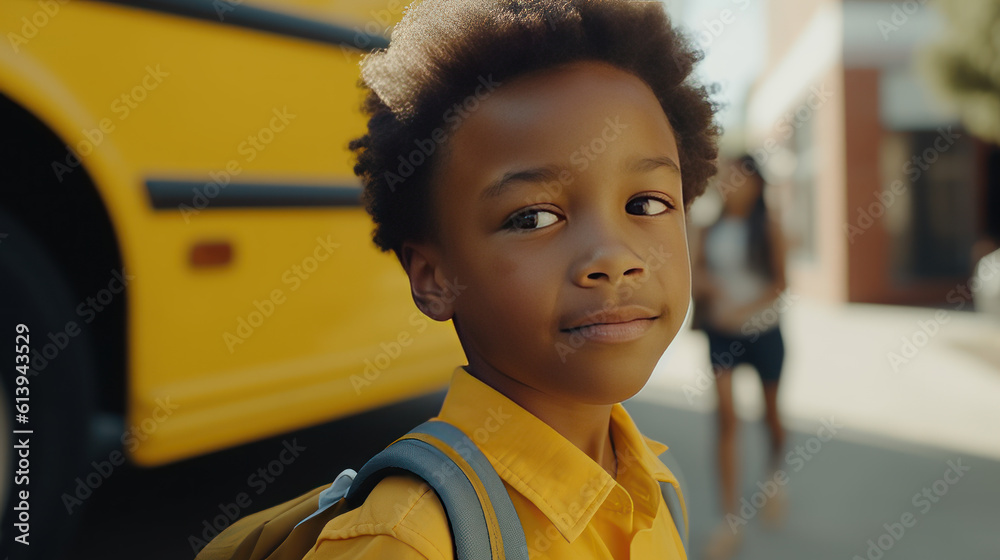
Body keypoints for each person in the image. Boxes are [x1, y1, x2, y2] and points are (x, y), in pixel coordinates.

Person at [303, 0, 720, 558]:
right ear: (432, 277)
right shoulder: (409, 542)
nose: (614, 258)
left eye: (646, 203)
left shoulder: (660, 488)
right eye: (534, 218)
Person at [692, 154, 788, 560]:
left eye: (739, 176)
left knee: (770, 415)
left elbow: (781, 284)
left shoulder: (768, 227)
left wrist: (742, 312)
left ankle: (772, 476)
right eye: (726, 176)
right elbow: (694, 271)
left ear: (755, 183)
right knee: (726, 419)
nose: (730, 182)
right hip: (721, 336)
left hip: (764, 332)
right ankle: (729, 520)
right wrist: (711, 289)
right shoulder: (707, 227)